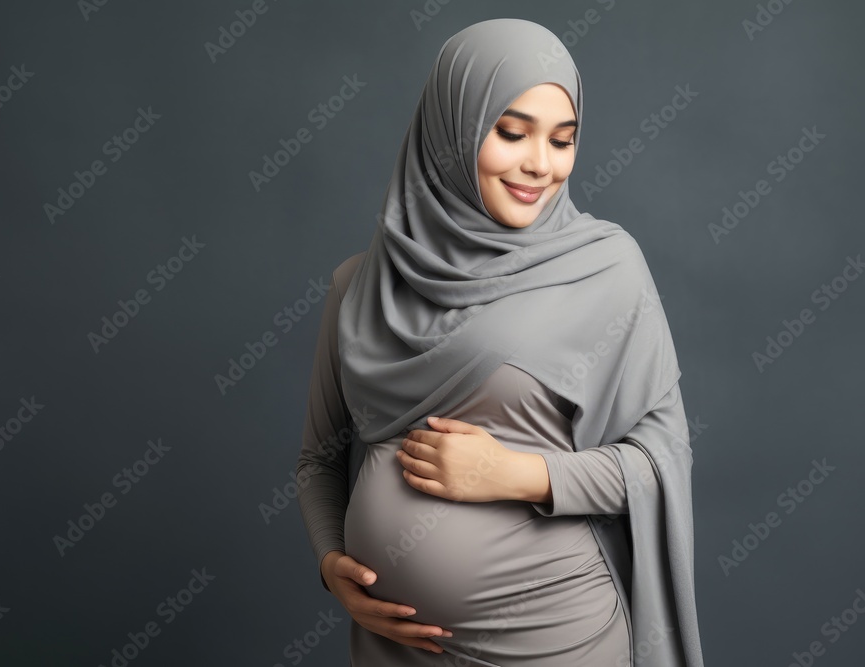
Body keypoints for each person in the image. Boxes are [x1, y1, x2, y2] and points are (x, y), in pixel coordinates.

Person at [296, 18, 704, 667]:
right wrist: (330, 561)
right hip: (394, 648)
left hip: (556, 640)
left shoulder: (605, 268)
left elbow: (660, 459)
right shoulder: (358, 285)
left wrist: (516, 473)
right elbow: (319, 460)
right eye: (511, 132)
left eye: (562, 139)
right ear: (449, 129)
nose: (540, 163)